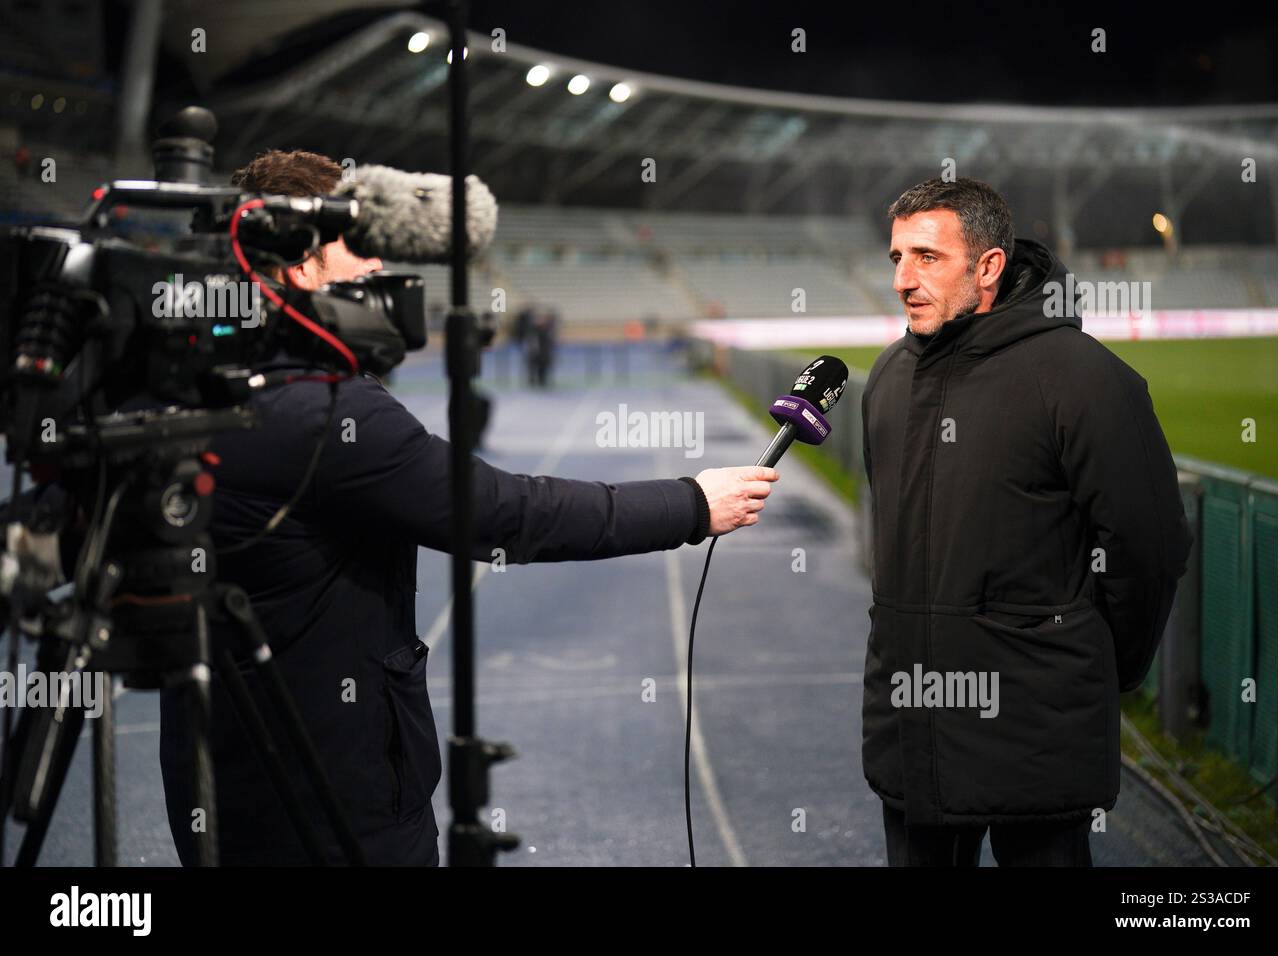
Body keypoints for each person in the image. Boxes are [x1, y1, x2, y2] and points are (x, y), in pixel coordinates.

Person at [159, 149, 780, 865]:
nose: (378, 270)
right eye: (359, 247)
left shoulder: (189, 393)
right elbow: (506, 513)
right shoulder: (327, 413)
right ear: (300, 265)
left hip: (215, 787)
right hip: (338, 800)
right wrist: (691, 504)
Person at [859, 177, 1193, 866]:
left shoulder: (1087, 379)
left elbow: (1149, 548)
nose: (903, 278)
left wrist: (1098, 665)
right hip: (913, 737)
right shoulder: (889, 377)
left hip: (1037, 741)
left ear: (988, 267)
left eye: (927, 256)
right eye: (897, 257)